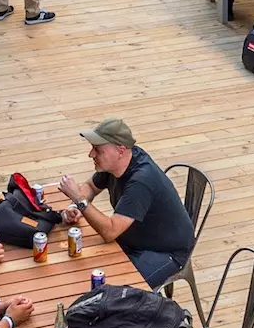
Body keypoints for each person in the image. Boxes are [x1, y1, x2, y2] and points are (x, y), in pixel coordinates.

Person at [56, 119, 198, 288]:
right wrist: (75, 207)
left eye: (98, 150)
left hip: (164, 252)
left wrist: (79, 199)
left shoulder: (141, 182)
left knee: (117, 296)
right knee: (80, 270)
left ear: (120, 150)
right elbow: (91, 186)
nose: (91, 154)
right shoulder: (117, 163)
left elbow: (109, 231)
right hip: (132, 238)